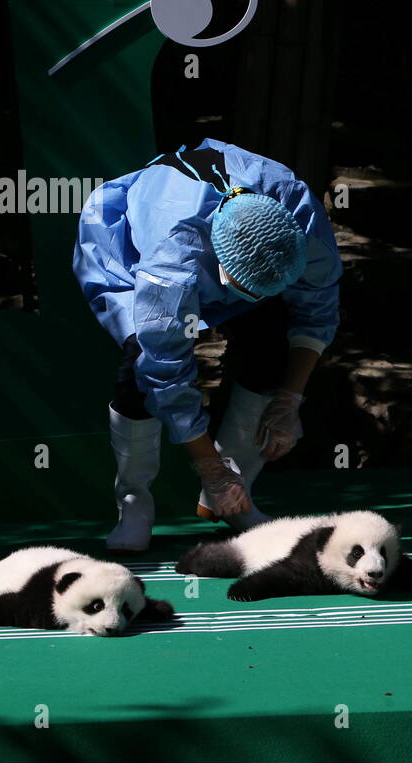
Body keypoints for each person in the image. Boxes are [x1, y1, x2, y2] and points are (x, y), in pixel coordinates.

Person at [73, 138, 342, 552]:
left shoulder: (300, 214)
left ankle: (237, 498)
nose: (250, 301)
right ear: (217, 264)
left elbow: (318, 308)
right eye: (244, 290)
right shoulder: (172, 261)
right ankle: (134, 503)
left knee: (272, 347)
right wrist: (209, 467)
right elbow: (165, 374)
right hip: (127, 251)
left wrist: (291, 397)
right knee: (137, 370)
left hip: (236, 242)